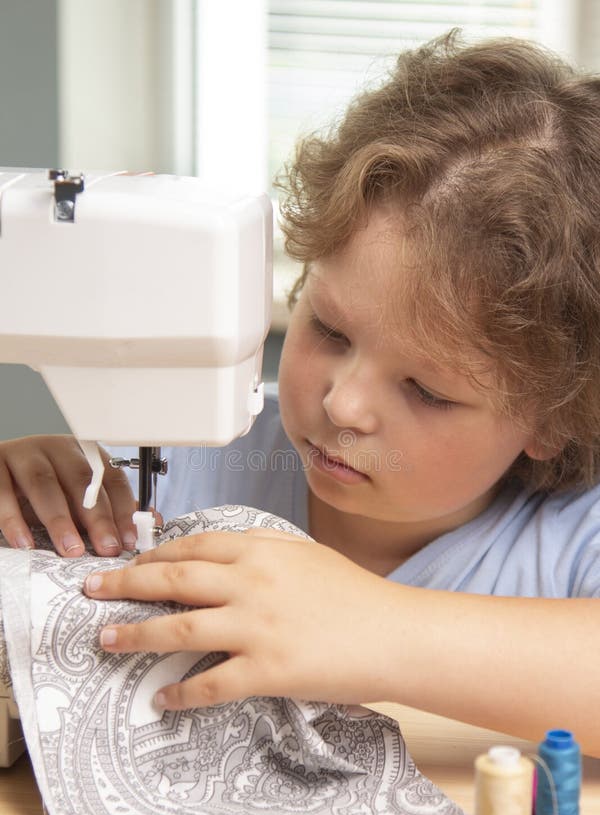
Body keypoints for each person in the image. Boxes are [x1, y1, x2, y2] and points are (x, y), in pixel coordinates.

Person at [2, 30, 600, 755]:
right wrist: (21, 491)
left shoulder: (572, 540)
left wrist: (374, 628)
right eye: (331, 329)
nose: (343, 404)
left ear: (556, 416)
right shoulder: (180, 455)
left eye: (426, 390)